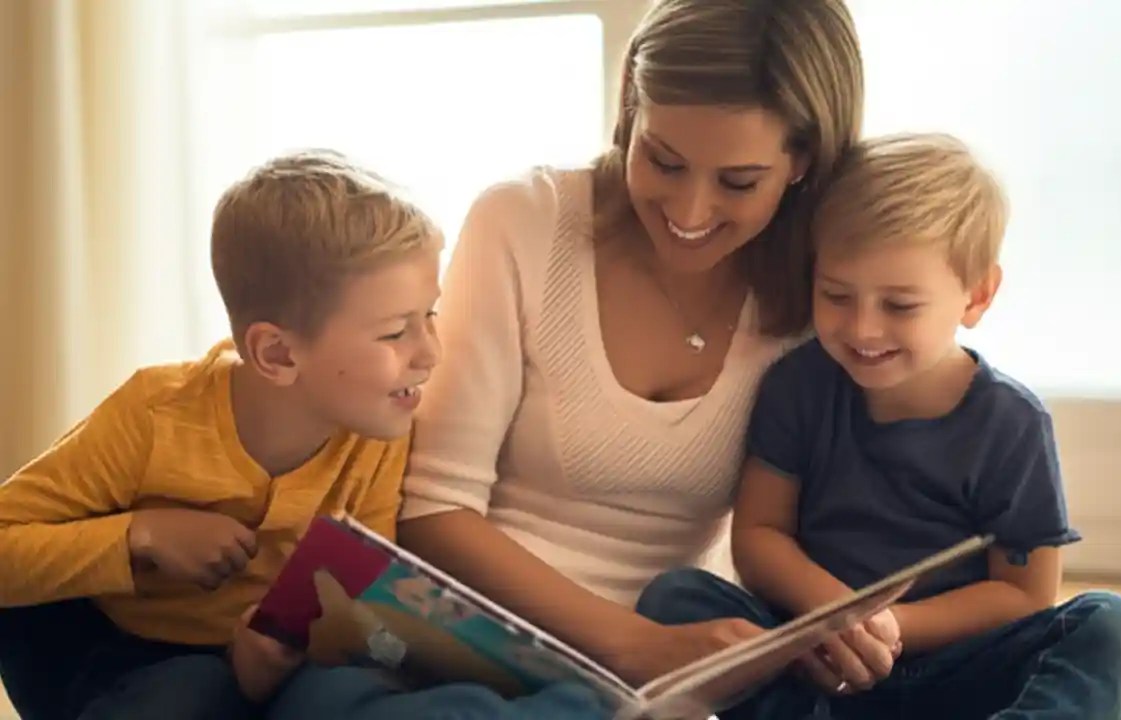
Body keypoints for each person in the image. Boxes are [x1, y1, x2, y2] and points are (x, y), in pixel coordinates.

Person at [266, 1, 885, 718]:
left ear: (804, 161)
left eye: (738, 182)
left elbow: (814, 522)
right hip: (445, 637)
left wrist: (839, 623)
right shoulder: (525, 222)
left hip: (644, 680)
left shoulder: (823, 304)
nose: (689, 208)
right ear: (630, 104)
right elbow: (434, 508)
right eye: (663, 159)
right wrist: (629, 643)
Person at [635, 133, 1121, 719]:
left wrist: (890, 627)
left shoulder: (1012, 424)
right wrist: (834, 616)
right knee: (677, 599)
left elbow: (1024, 593)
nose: (862, 329)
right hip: (815, 664)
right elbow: (759, 536)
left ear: (977, 296)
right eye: (836, 295)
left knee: (1118, 628)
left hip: (954, 672)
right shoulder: (798, 385)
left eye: (899, 306)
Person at [0, 149, 443, 719]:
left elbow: (355, 592)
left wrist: (267, 659)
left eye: (430, 315)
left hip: (259, 662)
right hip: (124, 653)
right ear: (277, 353)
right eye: (394, 333)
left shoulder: (381, 427)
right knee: (189, 695)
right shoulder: (155, 414)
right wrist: (142, 535)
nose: (431, 353)